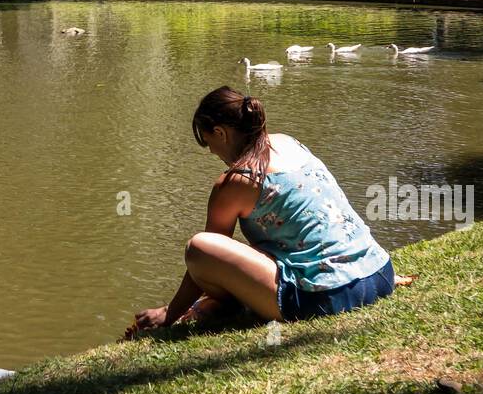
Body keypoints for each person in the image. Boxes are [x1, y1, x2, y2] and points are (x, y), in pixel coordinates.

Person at [131, 87, 395, 332]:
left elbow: (204, 261)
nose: (211, 151)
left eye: (209, 141)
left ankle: (222, 305)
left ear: (221, 132)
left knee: (199, 246)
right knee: (252, 251)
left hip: (327, 297)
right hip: (379, 273)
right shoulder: (289, 142)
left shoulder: (236, 181)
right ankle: (222, 303)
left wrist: (170, 314)